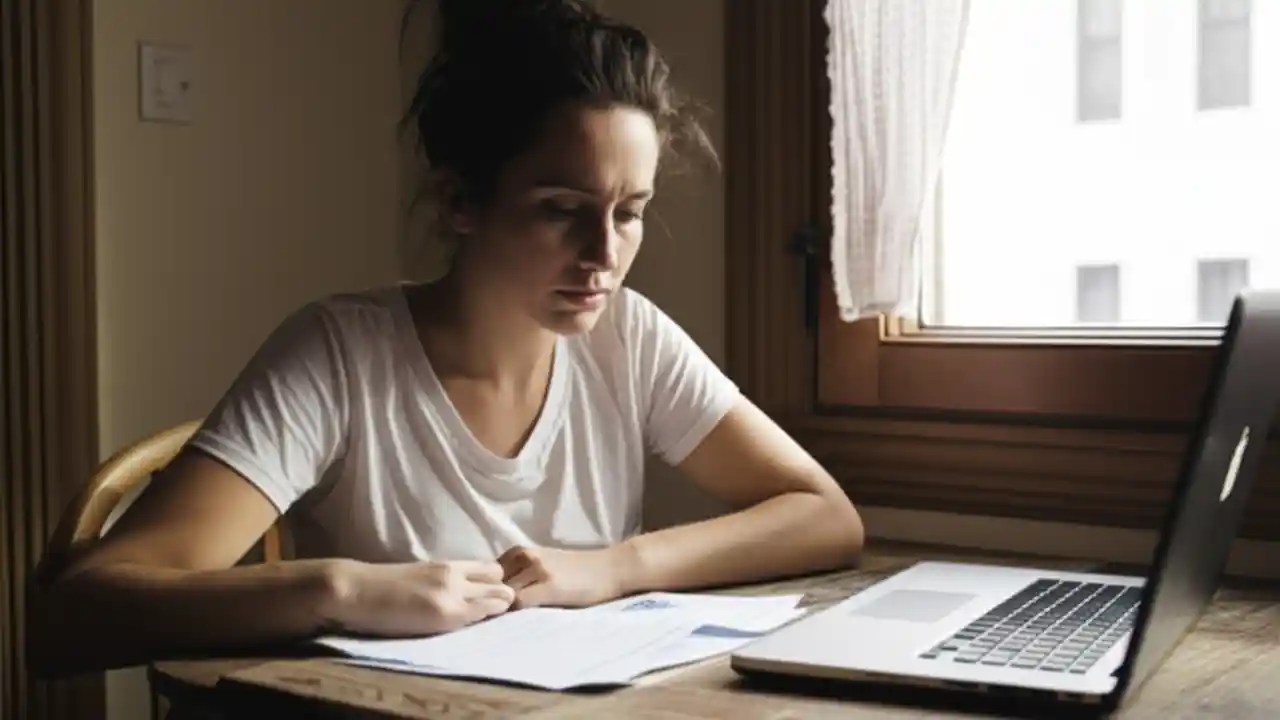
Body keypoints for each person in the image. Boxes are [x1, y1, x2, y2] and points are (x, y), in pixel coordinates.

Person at [31, 0, 863, 676]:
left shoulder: (628, 338)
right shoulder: (340, 358)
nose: (605, 256)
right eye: (561, 211)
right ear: (462, 200)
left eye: (630, 213)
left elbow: (824, 516)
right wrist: (340, 588)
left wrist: (610, 567)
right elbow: (79, 608)